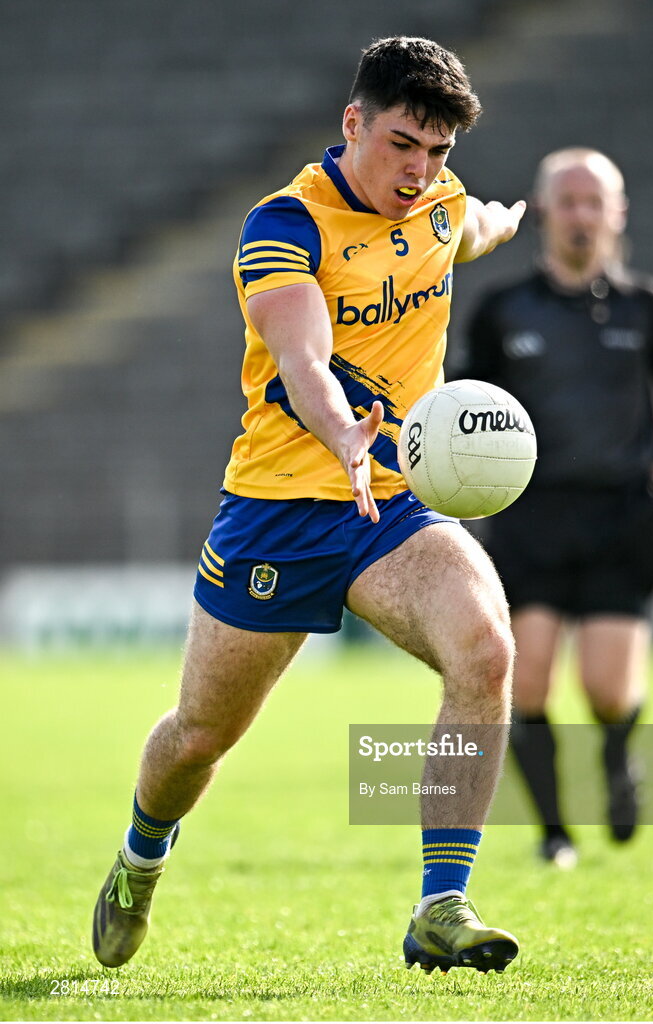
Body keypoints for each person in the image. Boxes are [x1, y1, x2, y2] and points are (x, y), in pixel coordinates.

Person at [91, 37, 526, 974]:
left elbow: (464, 225)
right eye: (404, 144)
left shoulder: (441, 202)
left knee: (485, 648)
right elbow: (304, 360)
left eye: (439, 153)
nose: (421, 171)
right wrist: (343, 435)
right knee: (200, 736)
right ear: (353, 123)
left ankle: (441, 904)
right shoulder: (284, 225)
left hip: (395, 509)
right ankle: (139, 858)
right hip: (280, 510)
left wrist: (494, 219)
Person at [460, 147, 653, 868]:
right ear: (542, 211)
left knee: (605, 689)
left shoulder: (646, 307)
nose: (581, 214)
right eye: (567, 200)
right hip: (532, 518)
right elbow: (462, 406)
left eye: (594, 201)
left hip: (622, 517)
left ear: (617, 213)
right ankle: (554, 833)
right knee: (527, 680)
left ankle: (618, 762)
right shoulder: (504, 311)